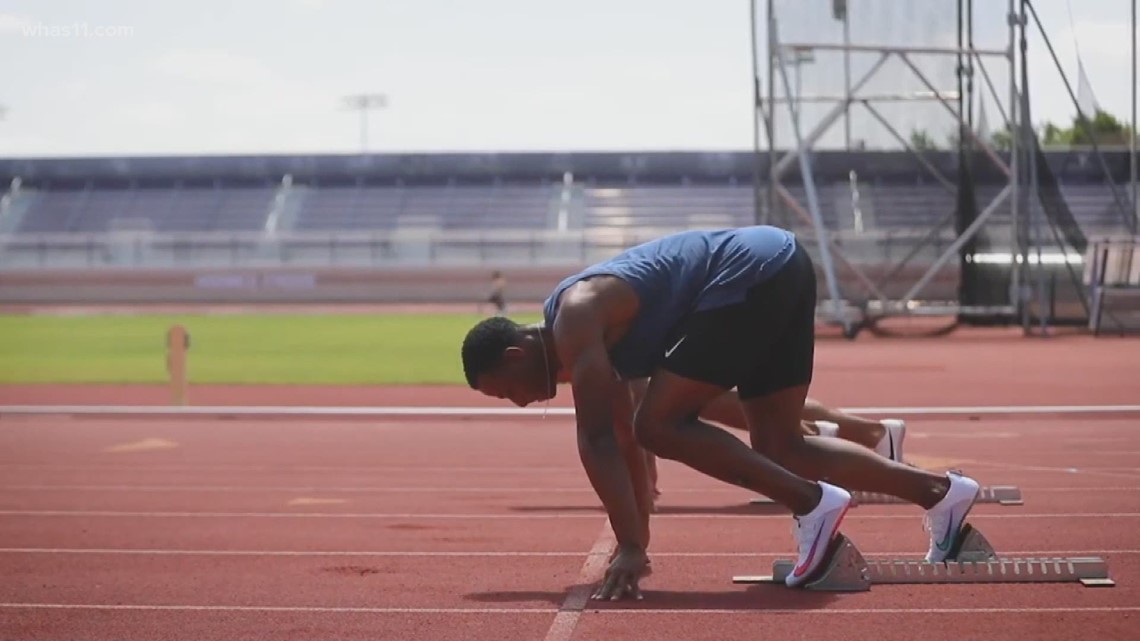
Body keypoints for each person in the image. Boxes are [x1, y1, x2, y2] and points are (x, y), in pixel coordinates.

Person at [460, 225, 981, 601]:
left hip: (749, 273)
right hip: (781, 263)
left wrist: (631, 545)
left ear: (516, 356)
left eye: (507, 393)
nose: (520, 403)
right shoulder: (586, 339)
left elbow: (598, 440)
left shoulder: (574, 319)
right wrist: (635, 541)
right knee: (780, 444)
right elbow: (622, 441)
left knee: (660, 423)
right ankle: (941, 493)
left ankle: (813, 504)